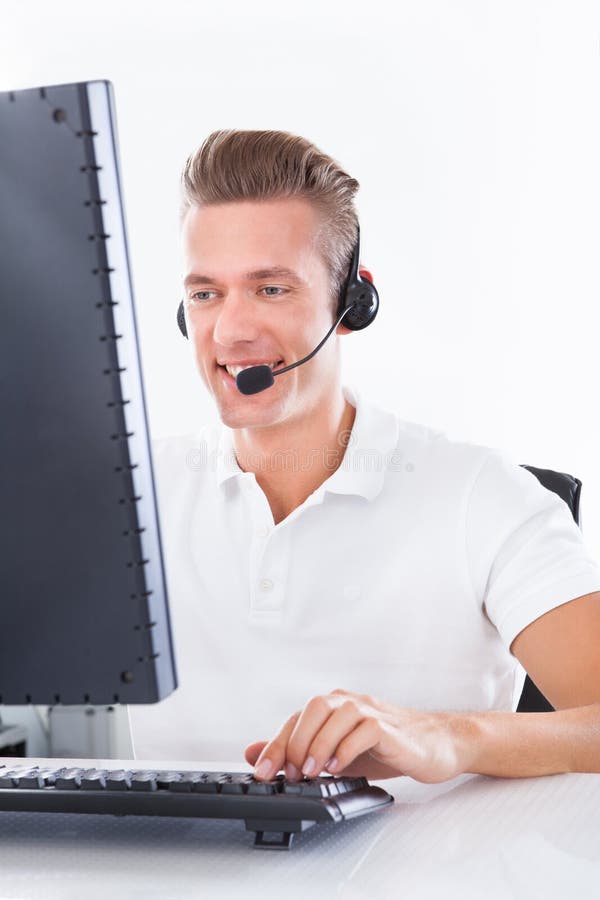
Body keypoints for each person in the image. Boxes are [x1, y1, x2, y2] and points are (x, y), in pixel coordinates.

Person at [128, 130, 600, 783]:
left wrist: (452, 737)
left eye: (271, 289)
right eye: (205, 294)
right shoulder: (126, 497)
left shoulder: (481, 496)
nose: (230, 331)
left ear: (353, 304)